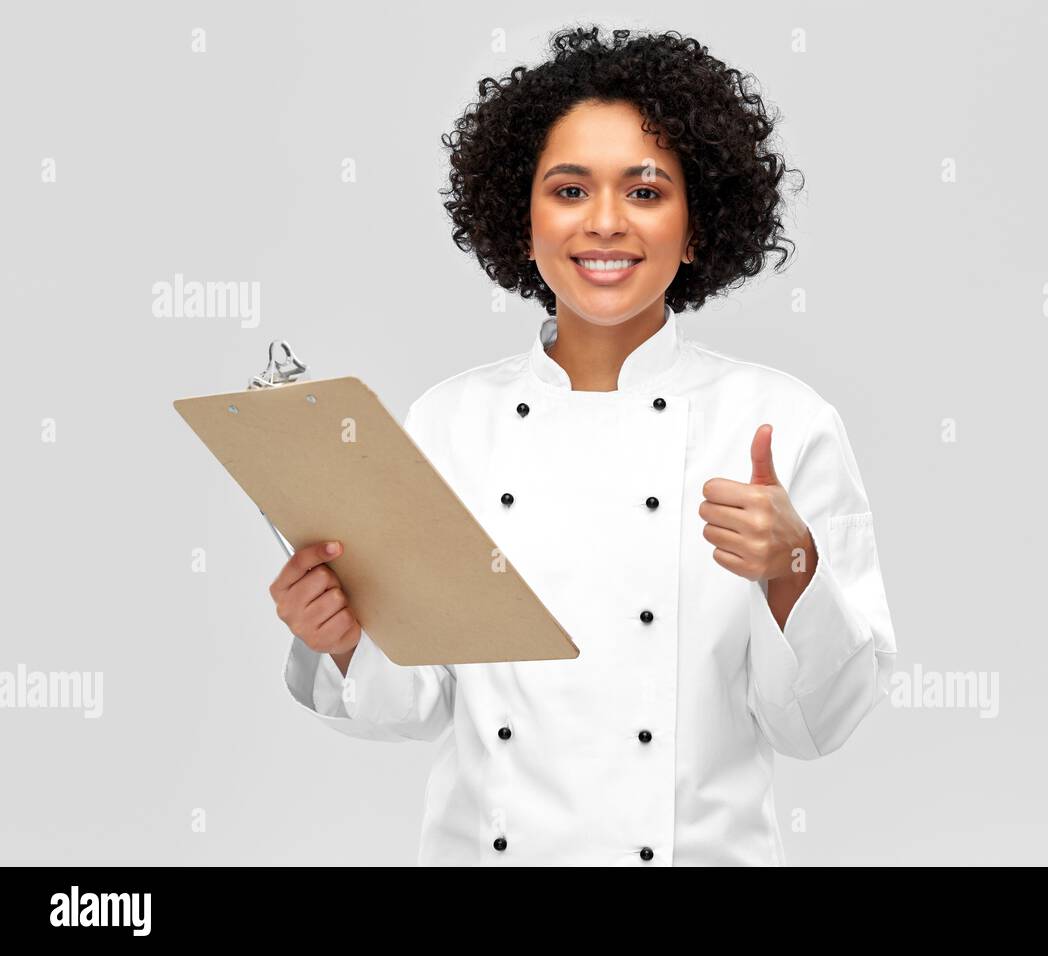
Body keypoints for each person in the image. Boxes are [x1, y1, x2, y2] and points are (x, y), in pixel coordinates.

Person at [268, 25, 897, 866]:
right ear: (521, 221)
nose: (604, 223)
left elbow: (820, 725)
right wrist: (339, 634)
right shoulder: (449, 422)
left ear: (699, 223)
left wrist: (794, 569)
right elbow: (409, 704)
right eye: (569, 191)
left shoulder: (780, 422)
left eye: (645, 192)